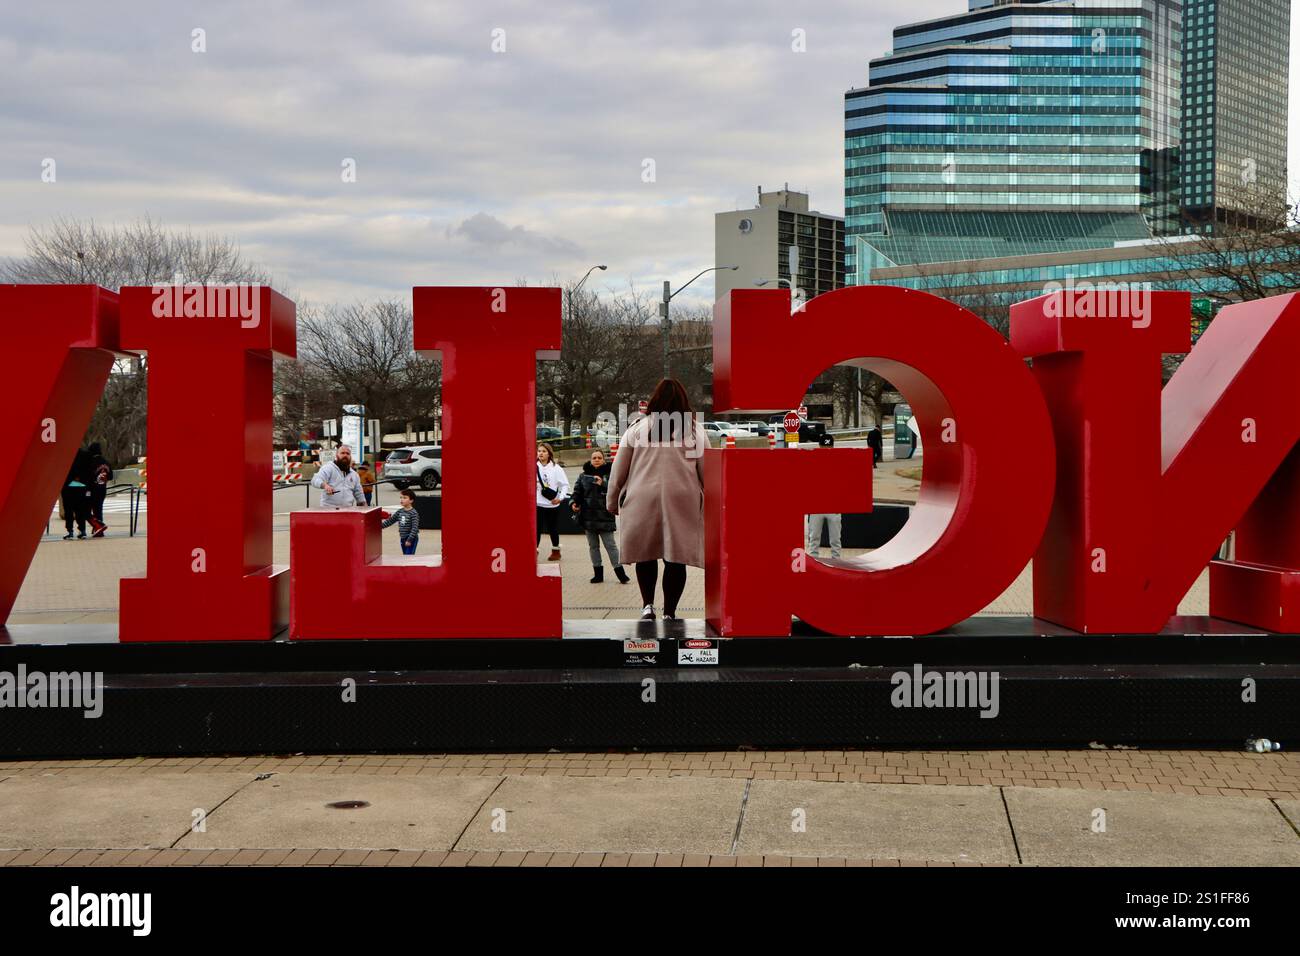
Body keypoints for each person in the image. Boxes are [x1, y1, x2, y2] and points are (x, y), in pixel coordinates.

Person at [607, 378, 708, 621]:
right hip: (682, 498)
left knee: (646, 553)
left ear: (653, 400)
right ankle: (670, 613)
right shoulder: (694, 430)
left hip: (642, 497)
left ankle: (647, 606)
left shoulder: (637, 428)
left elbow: (619, 470)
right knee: (676, 557)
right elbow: (706, 472)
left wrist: (612, 500)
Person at [570, 449, 630, 584]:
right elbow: (576, 492)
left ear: (603, 460)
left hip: (605, 517)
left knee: (611, 546)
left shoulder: (610, 474)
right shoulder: (583, 476)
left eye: (599, 458)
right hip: (588, 517)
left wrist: (602, 483)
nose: (596, 460)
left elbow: (618, 491)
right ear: (590, 460)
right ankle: (598, 574)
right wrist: (573, 503)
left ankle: (620, 573)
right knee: (593, 547)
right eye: (594, 458)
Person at [535, 443, 570, 561]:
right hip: (537, 504)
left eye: (544, 451)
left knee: (552, 528)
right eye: (539, 451)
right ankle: (534, 550)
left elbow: (565, 485)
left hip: (551, 504)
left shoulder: (556, 468)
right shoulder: (533, 466)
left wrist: (560, 498)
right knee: (536, 529)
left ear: (549, 454)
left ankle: (556, 551)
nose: (541, 453)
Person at [60, 448, 99, 540]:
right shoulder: (86, 455)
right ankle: (82, 530)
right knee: (80, 510)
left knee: (68, 510)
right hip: (82, 486)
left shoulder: (66, 455)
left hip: (68, 486)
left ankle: (69, 531)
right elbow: (90, 472)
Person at [381, 490, 420, 554]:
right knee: (405, 556)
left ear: (411, 500)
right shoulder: (400, 511)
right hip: (403, 537)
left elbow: (414, 528)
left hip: (411, 538)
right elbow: (390, 521)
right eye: (401, 497)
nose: (402, 500)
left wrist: (409, 540)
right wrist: (380, 526)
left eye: (404, 498)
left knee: (408, 556)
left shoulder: (414, 513)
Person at [87, 442, 113, 536]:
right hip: (102, 489)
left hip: (92, 489)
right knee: (98, 509)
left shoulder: (90, 462)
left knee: (87, 510)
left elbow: (88, 476)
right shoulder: (106, 462)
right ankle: (98, 530)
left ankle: (98, 527)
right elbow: (110, 477)